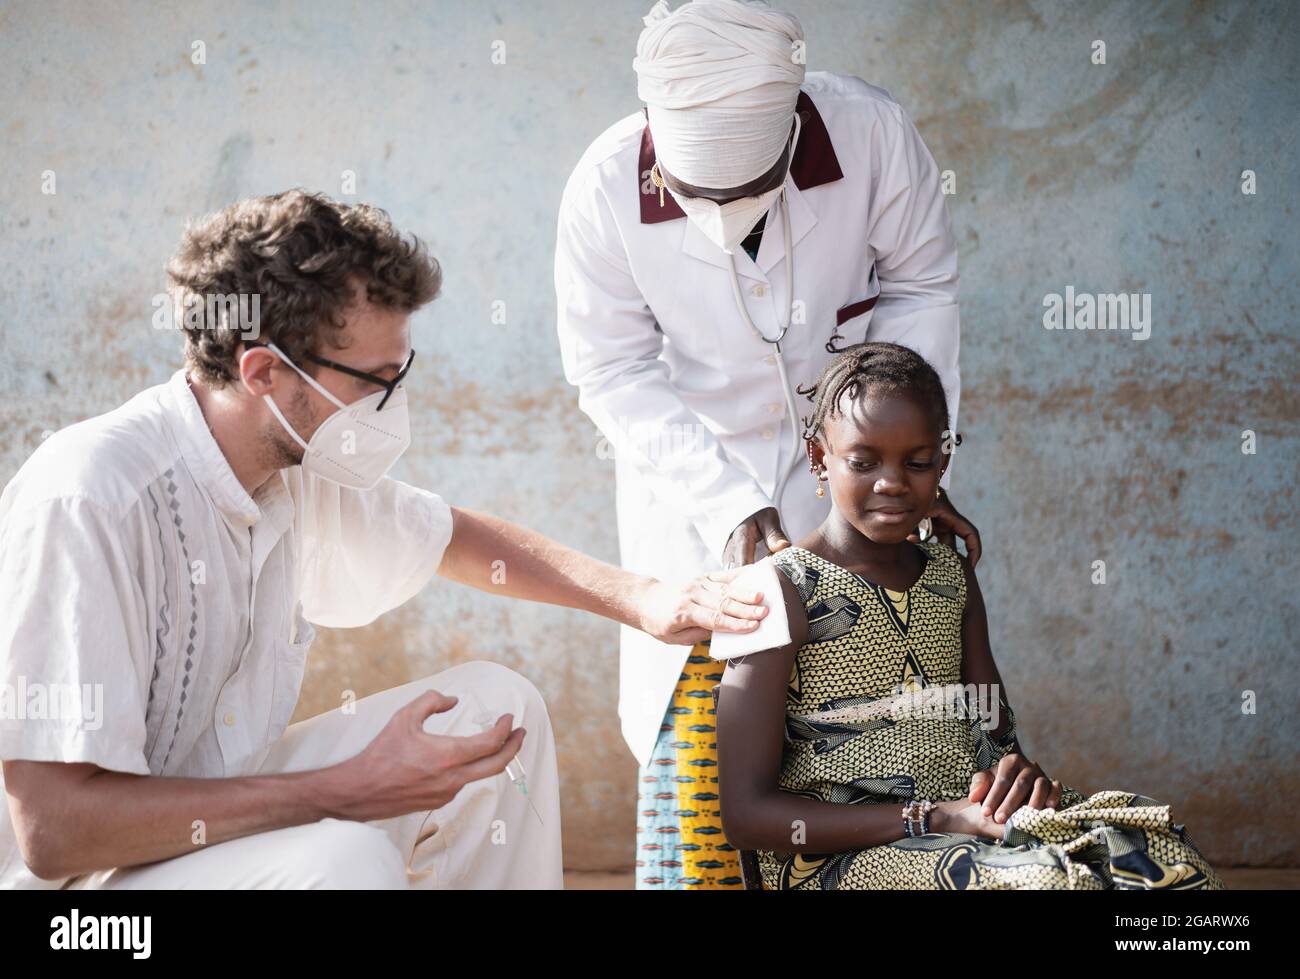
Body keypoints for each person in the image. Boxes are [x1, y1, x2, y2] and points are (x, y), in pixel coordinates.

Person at [0, 189, 770, 890]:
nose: (389, 404)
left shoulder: (286, 463)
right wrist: (347, 789)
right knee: (345, 862)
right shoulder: (90, 496)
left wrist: (647, 600)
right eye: (374, 380)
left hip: (205, 832)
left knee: (496, 713)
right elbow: (56, 831)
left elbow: (453, 537)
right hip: (85, 904)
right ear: (265, 370)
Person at [555, 0, 977, 888]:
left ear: (792, 129)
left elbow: (923, 288)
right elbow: (612, 371)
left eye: (742, 193)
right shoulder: (602, 188)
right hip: (697, 487)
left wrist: (910, 461)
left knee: (883, 738)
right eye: (695, 196)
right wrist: (732, 506)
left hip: (860, 471)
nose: (718, 216)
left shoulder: (870, 136)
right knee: (707, 776)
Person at [716, 342, 1225, 890]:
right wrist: (929, 818)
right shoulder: (777, 589)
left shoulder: (949, 574)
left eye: (917, 463)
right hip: (840, 853)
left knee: (1165, 862)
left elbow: (994, 734)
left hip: (969, 825)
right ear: (819, 457)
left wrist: (1018, 780)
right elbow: (746, 816)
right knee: (1049, 883)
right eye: (863, 462)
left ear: (943, 462)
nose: (891, 482)